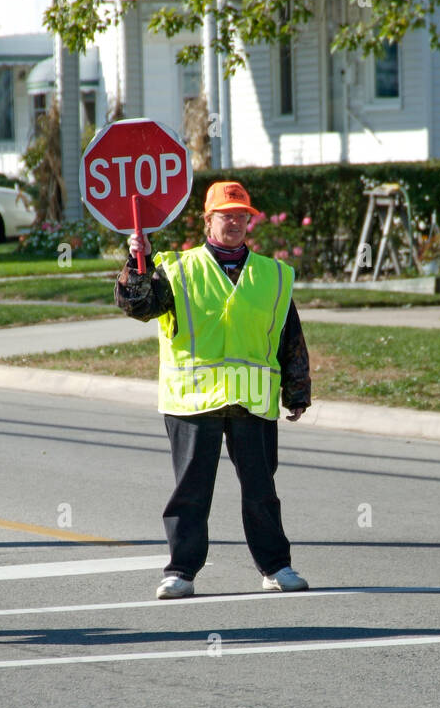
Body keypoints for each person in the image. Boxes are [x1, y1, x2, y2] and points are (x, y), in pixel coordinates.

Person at [117, 180, 311, 599]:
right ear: (209, 220)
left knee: (262, 492)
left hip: (252, 400)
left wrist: (297, 391)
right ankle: (181, 571)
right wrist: (138, 262)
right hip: (193, 399)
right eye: (227, 216)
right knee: (191, 491)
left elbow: (288, 333)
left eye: (242, 216)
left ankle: (276, 566)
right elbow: (138, 306)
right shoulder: (178, 268)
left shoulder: (272, 275)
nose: (236, 222)